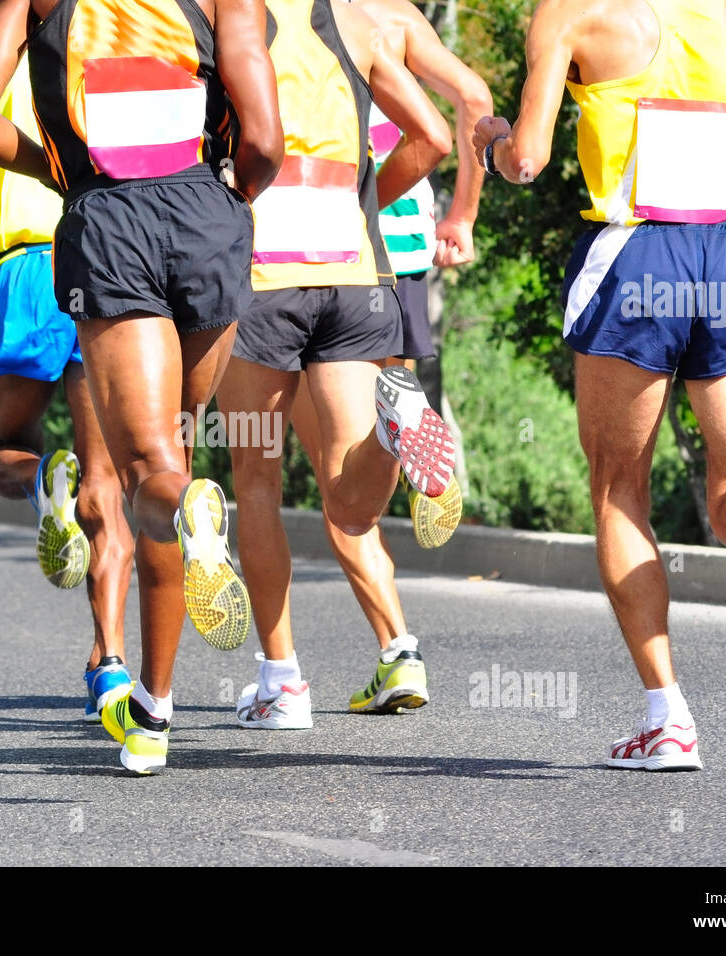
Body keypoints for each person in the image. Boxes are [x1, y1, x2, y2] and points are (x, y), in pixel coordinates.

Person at [473, 0, 726, 770]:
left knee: (619, 490)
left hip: (638, 256)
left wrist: (485, 141)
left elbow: (528, 159)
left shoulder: (574, 14)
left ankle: (668, 718)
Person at [0, 0, 284, 773]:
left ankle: (185, 526)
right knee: (176, 448)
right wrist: (230, 201)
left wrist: (54, 168)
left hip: (107, 216)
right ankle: (156, 705)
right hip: (209, 213)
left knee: (147, 475)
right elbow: (266, 140)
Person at [215, 0, 455, 729]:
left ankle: (282, 683)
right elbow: (436, 137)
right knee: (350, 502)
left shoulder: (223, 16)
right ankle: (395, 425)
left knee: (256, 475)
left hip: (261, 282)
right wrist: (360, 206)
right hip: (353, 279)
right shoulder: (356, 22)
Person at [284, 0, 493, 719]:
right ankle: (403, 434)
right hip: (399, 247)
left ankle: (355, 661)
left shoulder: (270, 16)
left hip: (312, 244)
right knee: (369, 436)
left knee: (329, 478)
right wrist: (462, 211)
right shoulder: (392, 16)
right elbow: (472, 98)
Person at [0, 10, 133, 723]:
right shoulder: (119, 34)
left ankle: (40, 481)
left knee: (1, 448)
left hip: (24, 262)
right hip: (109, 254)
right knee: (108, 484)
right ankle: (109, 665)